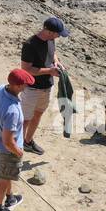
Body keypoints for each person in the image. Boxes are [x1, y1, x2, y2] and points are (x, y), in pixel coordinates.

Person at [19, 16, 69, 154]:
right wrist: (50, 71)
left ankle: (28, 141)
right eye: (58, 34)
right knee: (25, 119)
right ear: (50, 32)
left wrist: (57, 62)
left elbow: (53, 53)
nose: (59, 36)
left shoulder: (50, 40)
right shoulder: (30, 45)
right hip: (32, 88)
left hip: (47, 87)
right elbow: (26, 69)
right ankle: (17, 147)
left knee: (38, 114)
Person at [0, 69, 32, 211]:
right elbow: (8, 141)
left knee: (7, 174)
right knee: (3, 178)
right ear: (18, 86)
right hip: (8, 149)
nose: (26, 87)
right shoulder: (12, 111)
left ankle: (10, 198)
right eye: (25, 84)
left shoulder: (0, 89)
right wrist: (18, 152)